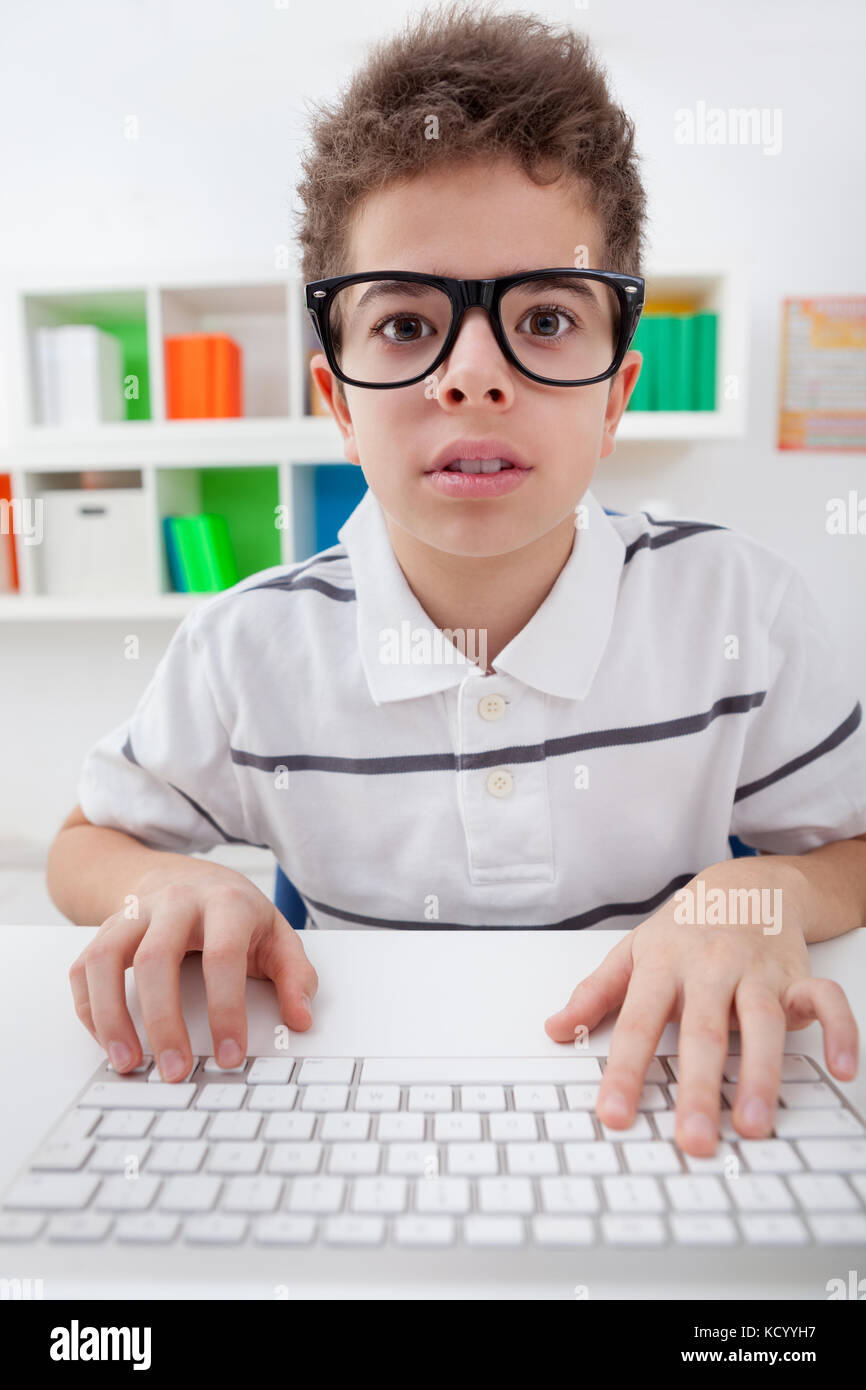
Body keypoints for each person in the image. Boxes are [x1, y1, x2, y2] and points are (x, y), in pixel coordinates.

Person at [47, 4, 866, 1157]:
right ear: (334, 399)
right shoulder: (248, 646)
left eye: (540, 316)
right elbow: (83, 845)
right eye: (404, 325)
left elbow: (847, 850)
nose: (473, 376)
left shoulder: (742, 611)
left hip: (669, 1099)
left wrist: (750, 897)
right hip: (340, 1124)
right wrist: (163, 891)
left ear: (615, 393)